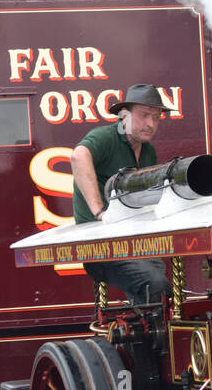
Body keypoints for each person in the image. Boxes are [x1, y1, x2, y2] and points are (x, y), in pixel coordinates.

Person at [71, 84, 171, 306]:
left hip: (131, 242)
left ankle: (147, 333)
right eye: (144, 115)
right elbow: (78, 156)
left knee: (162, 287)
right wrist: (99, 211)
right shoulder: (105, 137)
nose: (151, 124)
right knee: (154, 283)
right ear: (124, 115)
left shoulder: (148, 151)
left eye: (156, 117)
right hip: (100, 246)